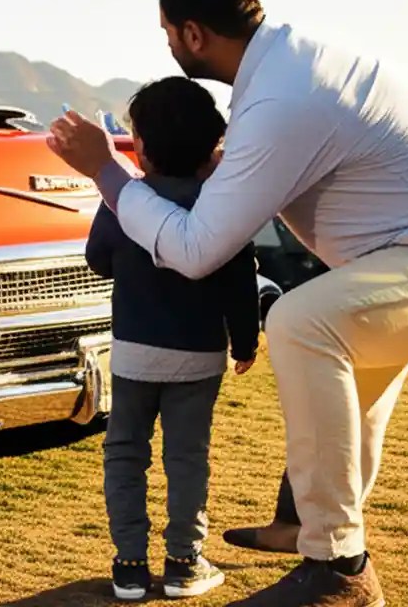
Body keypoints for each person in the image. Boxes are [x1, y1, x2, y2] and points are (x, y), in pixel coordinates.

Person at [47, 0, 408, 606]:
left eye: (165, 31)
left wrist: (105, 172)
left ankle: (339, 569)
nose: (164, 43)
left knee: (301, 320)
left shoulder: (280, 99)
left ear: (192, 34)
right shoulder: (288, 71)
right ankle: (304, 521)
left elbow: (195, 250)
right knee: (354, 388)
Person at [85, 76, 260, 600]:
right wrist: (246, 343)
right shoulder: (220, 203)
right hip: (200, 357)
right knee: (187, 456)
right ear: (212, 145)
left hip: (134, 351)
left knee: (125, 452)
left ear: (140, 146)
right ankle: (185, 561)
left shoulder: (126, 199)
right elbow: (241, 280)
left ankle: (130, 565)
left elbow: (98, 260)